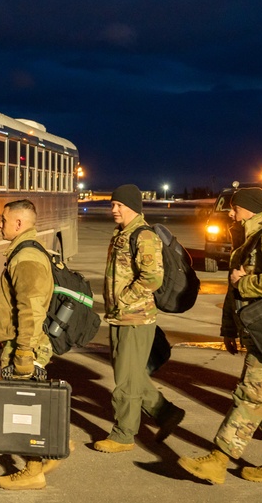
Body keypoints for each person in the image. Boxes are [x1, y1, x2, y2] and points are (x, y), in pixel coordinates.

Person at [179, 187, 262, 485]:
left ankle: (219, 459)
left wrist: (247, 282)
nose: (231, 213)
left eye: (235, 209)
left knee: (251, 394)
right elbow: (233, 293)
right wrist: (228, 329)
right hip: (259, 332)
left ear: (250, 209)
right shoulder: (248, 239)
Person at [95, 184, 184, 454]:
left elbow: (153, 278)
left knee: (126, 380)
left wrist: (124, 299)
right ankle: (166, 412)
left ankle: (123, 435)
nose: (113, 209)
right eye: (112, 204)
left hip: (135, 317)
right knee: (130, 374)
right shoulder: (123, 234)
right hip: (122, 317)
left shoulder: (143, 236)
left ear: (132, 207)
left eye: (119, 205)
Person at [0, 198, 69, 490]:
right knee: (26, 405)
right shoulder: (24, 252)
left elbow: (30, 309)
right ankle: (51, 448)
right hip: (24, 341)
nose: (0, 224)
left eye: (3, 220)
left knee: (22, 408)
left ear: (19, 223)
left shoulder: (27, 258)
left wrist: (23, 351)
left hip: (25, 344)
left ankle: (33, 469)